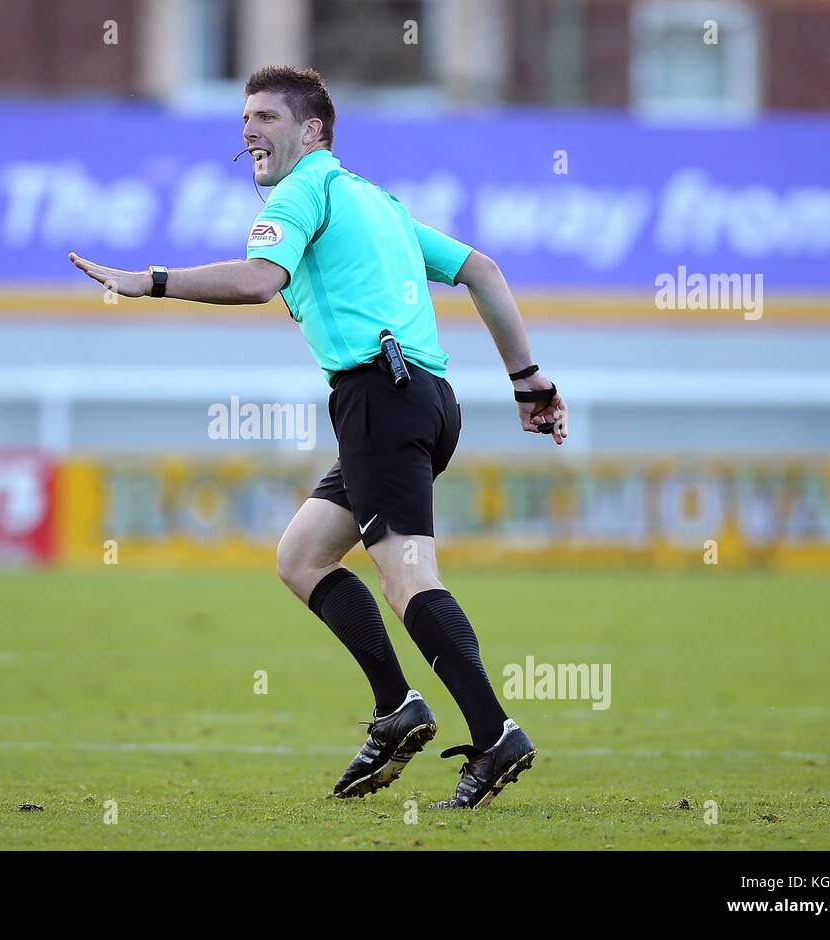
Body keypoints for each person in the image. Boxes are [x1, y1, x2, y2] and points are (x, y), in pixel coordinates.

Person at [68, 65, 567, 810]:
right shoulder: (378, 201)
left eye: (266, 117)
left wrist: (152, 281)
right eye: (244, 120)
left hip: (380, 397)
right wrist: (528, 382)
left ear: (313, 131)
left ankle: (496, 734)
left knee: (407, 580)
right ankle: (399, 707)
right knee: (302, 555)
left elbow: (260, 280)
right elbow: (484, 271)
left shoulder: (305, 190)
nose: (249, 131)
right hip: (423, 401)